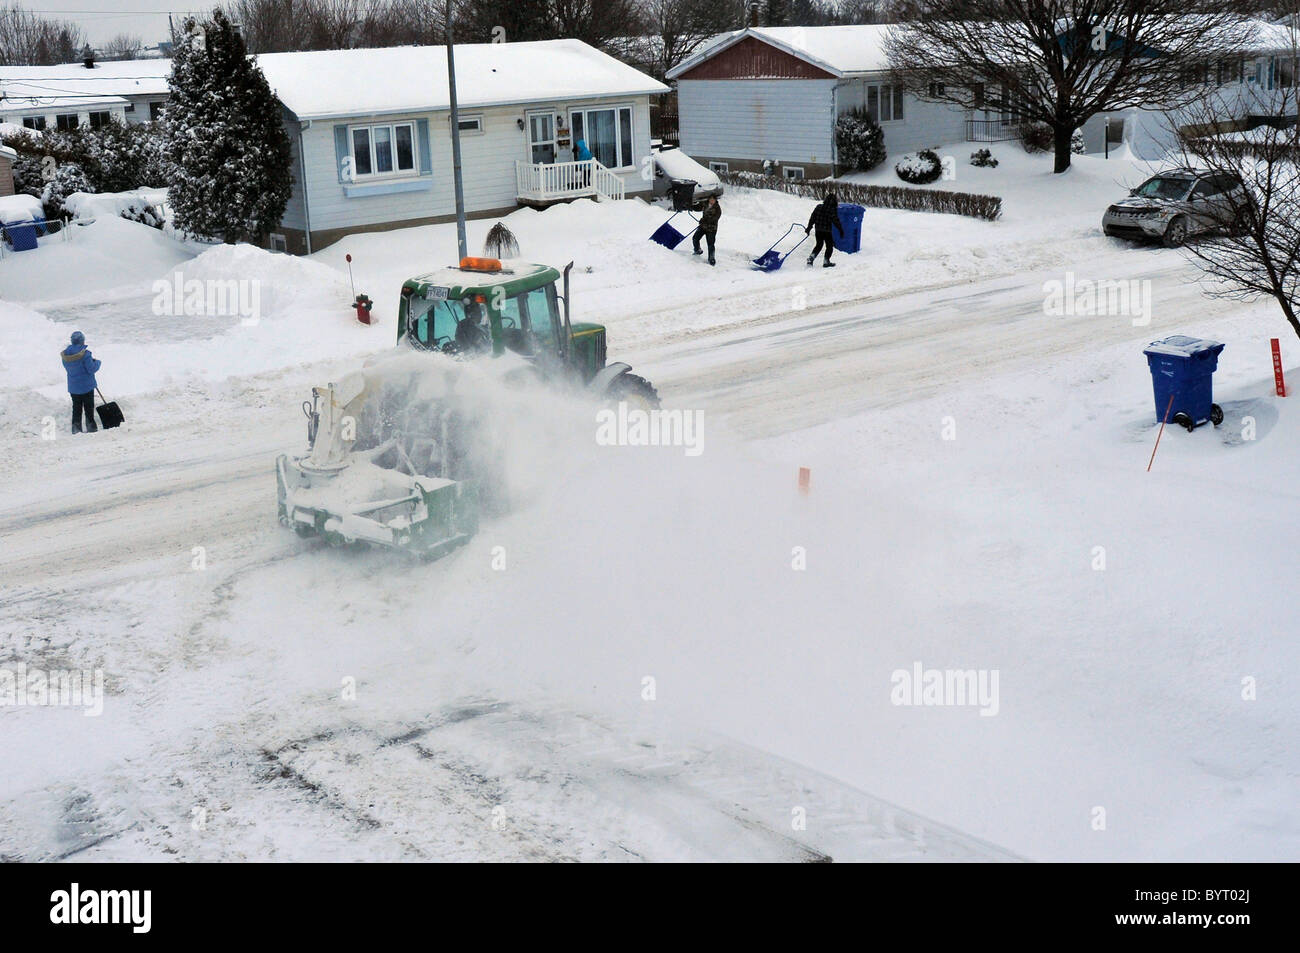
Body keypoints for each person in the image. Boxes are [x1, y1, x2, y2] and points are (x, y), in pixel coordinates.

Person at [61, 330, 101, 434]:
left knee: (76, 409)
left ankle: (76, 429)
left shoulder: (65, 355)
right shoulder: (86, 354)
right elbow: (91, 369)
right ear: (82, 341)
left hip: (74, 387)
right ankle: (91, 427)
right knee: (88, 408)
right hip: (86, 386)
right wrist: (97, 362)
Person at [805, 192, 843, 268]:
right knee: (829, 246)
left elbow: (813, 218)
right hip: (827, 231)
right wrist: (841, 230)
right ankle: (826, 261)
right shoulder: (832, 210)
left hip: (818, 230)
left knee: (819, 245)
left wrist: (809, 227)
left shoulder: (818, 207)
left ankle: (811, 258)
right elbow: (835, 220)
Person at [692, 195, 721, 266]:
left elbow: (715, 218)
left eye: (713, 200)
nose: (711, 201)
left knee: (710, 244)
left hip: (711, 228)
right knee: (695, 238)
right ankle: (697, 250)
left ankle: (711, 258)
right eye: (710, 199)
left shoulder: (717, 208)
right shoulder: (705, 204)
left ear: (715, 200)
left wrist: (705, 220)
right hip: (703, 227)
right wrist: (690, 206)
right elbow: (698, 207)